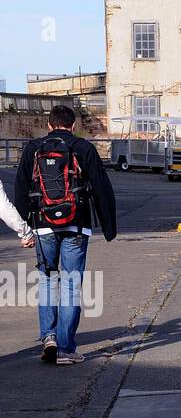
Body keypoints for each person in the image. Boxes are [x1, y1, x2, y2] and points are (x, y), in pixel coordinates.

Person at [15, 104, 117, 365]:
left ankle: (48, 337)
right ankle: (66, 350)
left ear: (49, 125)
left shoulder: (33, 148)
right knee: (71, 285)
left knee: (48, 282)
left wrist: (26, 226)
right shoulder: (83, 148)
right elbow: (101, 188)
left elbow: (21, 189)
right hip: (76, 225)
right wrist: (108, 228)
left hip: (43, 226)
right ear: (74, 126)